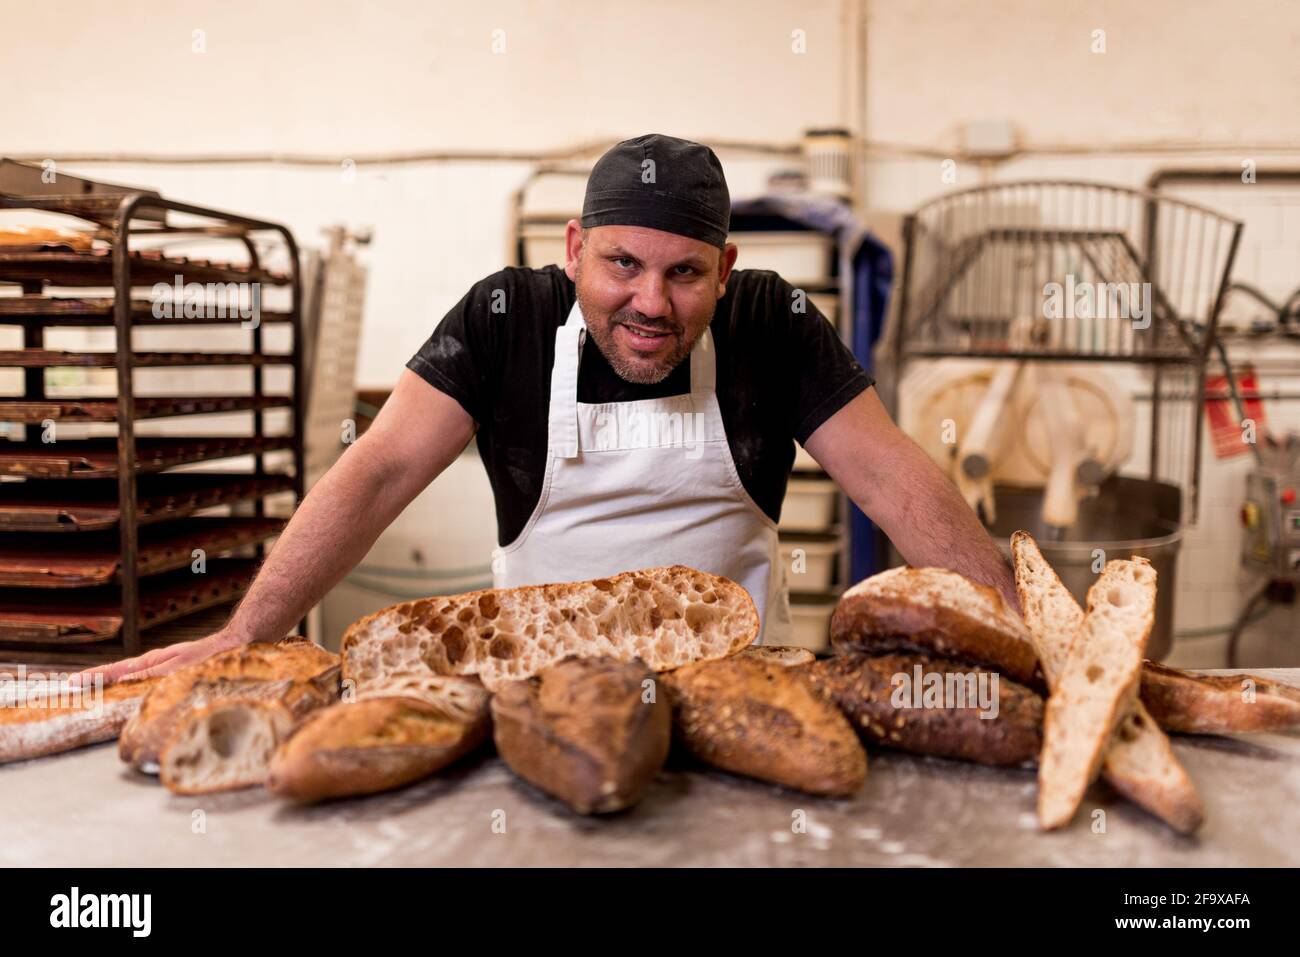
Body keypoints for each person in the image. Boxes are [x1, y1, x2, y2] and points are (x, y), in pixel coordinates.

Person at [90, 133, 1017, 683]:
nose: (651, 302)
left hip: (734, 697)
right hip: (536, 696)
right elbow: (375, 473)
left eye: (685, 273)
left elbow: (892, 476)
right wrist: (248, 632)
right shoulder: (508, 320)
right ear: (575, 248)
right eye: (622, 264)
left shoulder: (771, 321)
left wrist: (1020, 626)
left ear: (724, 272)